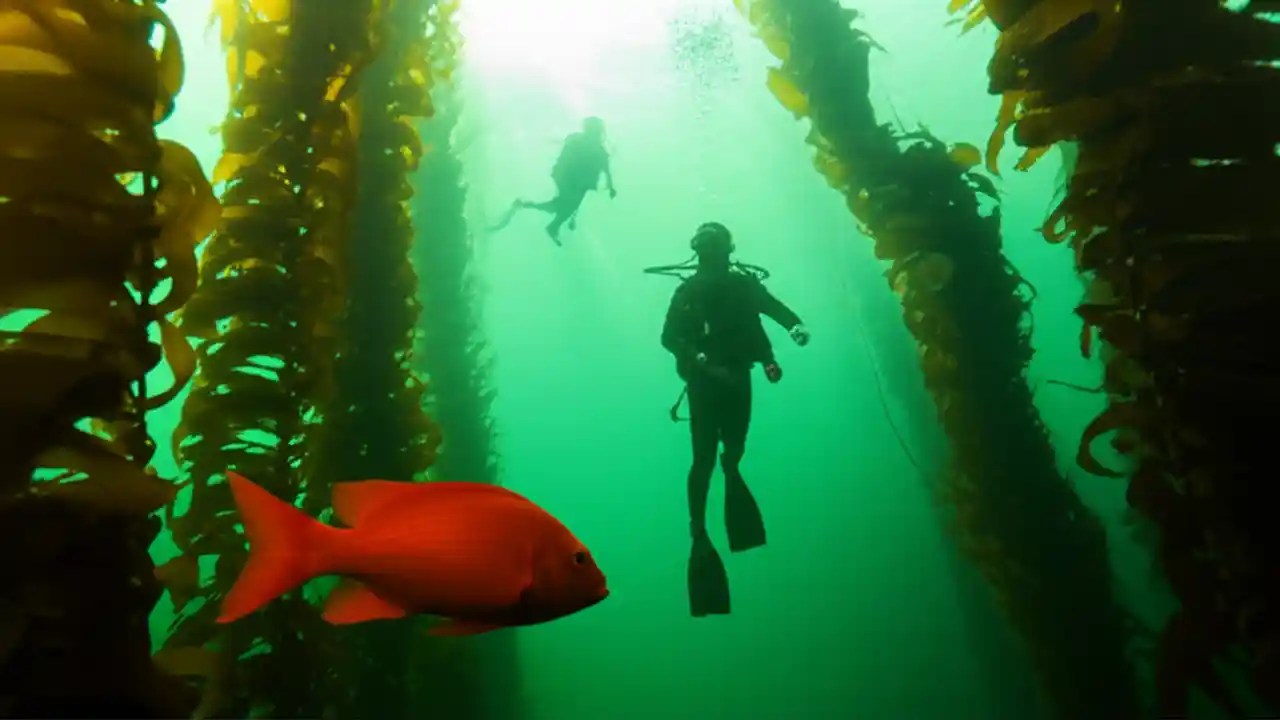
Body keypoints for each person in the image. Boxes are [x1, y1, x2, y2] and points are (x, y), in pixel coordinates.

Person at [659, 221, 810, 617]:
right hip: (707, 384)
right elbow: (669, 337)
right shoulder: (688, 292)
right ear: (702, 255)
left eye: (718, 253)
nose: (715, 260)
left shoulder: (742, 286)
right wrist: (704, 362)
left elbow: (771, 309)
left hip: (737, 376)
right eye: (709, 254)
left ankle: (727, 479)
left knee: (731, 451)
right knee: (706, 458)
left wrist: (790, 332)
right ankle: (699, 526)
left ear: (726, 253)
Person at [497, 116, 617, 245]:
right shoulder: (590, 146)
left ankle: (529, 208)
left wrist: (611, 187)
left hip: (574, 182)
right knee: (565, 206)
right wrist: (610, 187)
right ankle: (550, 223)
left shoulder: (583, 143)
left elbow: (604, 168)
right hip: (571, 181)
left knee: (563, 205)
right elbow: (604, 169)